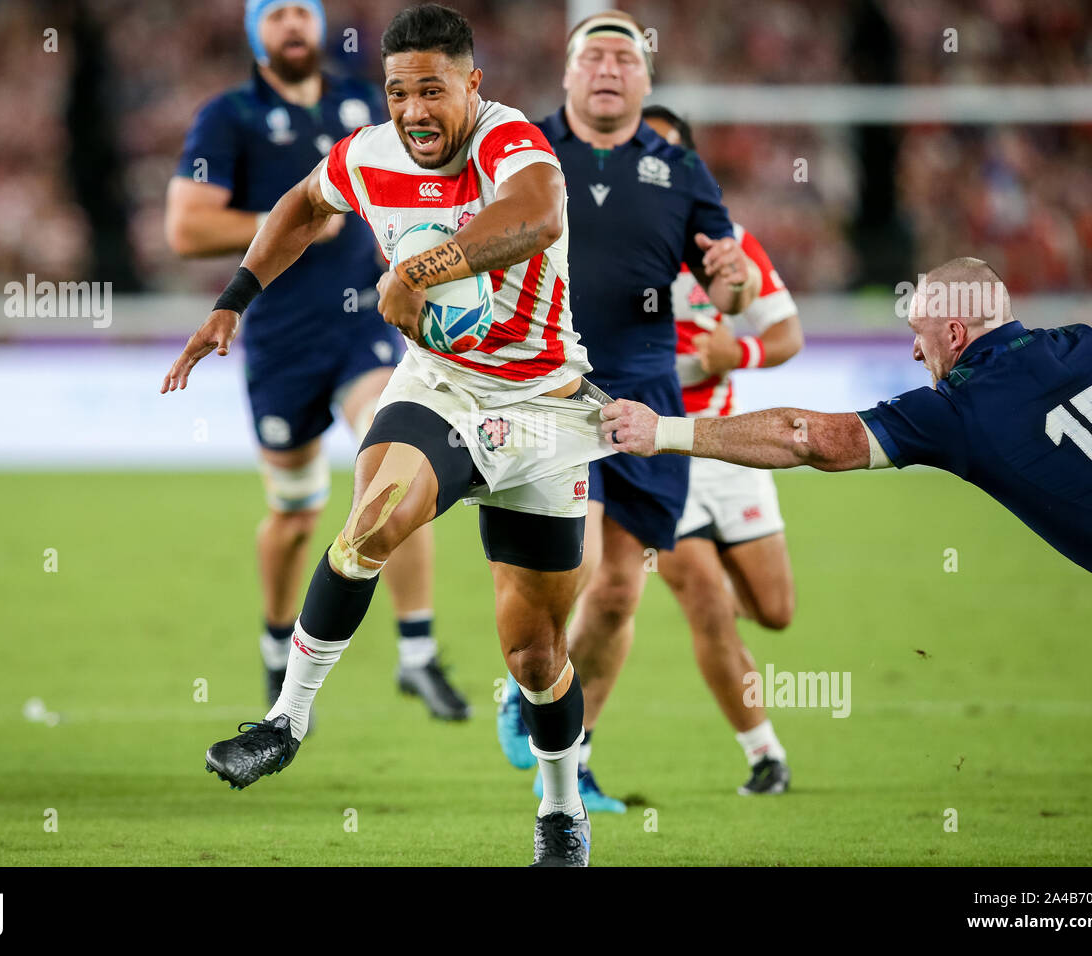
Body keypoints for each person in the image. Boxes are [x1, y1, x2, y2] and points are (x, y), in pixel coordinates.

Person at [163, 4, 751, 865]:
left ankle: (558, 811)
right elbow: (299, 205)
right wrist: (233, 302)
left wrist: (420, 268)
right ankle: (286, 721)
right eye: (399, 92)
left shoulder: (513, 141)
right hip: (441, 388)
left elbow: (539, 216)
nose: (412, 111)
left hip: (548, 407)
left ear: (473, 87)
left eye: (432, 91)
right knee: (370, 522)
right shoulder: (369, 152)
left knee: (535, 652)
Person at [165, 0, 468, 720]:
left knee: (396, 459)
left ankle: (418, 652)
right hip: (276, 340)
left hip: (362, 323)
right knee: (297, 514)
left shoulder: (366, 101)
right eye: (276, 16)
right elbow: (186, 228)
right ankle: (278, 647)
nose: (293, 25)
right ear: (254, 31)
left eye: (304, 11)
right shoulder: (227, 116)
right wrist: (302, 218)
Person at [495, 11, 758, 812]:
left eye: (624, 57)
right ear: (568, 74)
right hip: (547, 386)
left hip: (644, 396)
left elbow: (729, 291)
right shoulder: (520, 151)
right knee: (563, 569)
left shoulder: (680, 169)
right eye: (593, 56)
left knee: (618, 593)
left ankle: (574, 758)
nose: (608, 68)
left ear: (645, 80)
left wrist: (735, 275)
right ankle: (533, 680)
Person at [602, 257, 1092, 627]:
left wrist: (663, 431)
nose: (915, 352)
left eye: (919, 334)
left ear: (956, 335)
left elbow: (805, 439)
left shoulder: (957, 409)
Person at [645, 105, 804, 794]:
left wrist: (733, 349)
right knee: (705, 602)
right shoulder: (593, 241)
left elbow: (787, 333)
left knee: (774, 611)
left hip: (727, 446)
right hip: (652, 452)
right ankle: (765, 754)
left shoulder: (727, 241)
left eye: (666, 152)